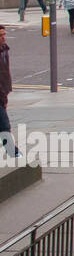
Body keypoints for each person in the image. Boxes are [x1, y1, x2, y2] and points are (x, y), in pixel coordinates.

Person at [0, 25, 16, 158]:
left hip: (2, 92)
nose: (4, 37)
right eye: (0, 35)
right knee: (4, 124)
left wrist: (6, 92)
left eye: (4, 34)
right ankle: (12, 151)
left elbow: (5, 72)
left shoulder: (4, 49)